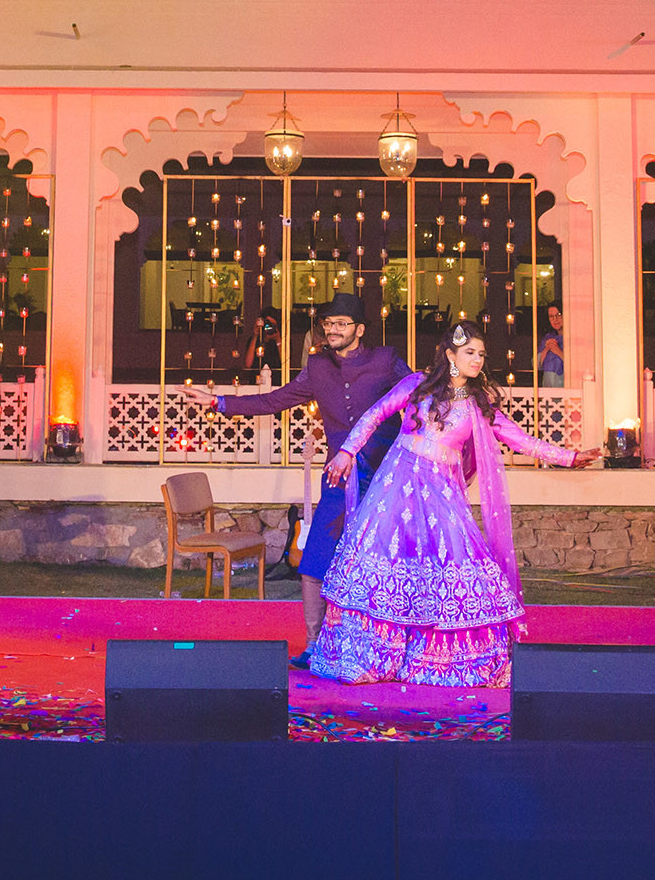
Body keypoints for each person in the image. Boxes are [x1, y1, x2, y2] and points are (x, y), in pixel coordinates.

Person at [309, 319, 598, 686]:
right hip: (396, 487)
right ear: (450, 355)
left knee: (456, 563)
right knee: (386, 562)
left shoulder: (480, 403)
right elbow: (374, 415)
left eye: (481, 354)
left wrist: (568, 457)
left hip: (442, 493)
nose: (477, 360)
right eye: (470, 353)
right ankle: (376, 655)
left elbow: (520, 440)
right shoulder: (415, 386)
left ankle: (437, 658)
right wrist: (347, 452)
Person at [177, 292, 407, 656]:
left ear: (360, 329)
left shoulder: (385, 360)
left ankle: (389, 646)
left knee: (386, 561)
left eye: (340, 324)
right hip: (338, 478)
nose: (332, 330)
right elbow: (275, 400)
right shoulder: (318, 367)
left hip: (384, 478)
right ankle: (316, 645)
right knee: (315, 558)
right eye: (328, 323)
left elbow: (421, 397)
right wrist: (219, 403)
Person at [534, 302, 565, 389]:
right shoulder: (548, 338)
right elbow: (535, 364)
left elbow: (576, 364)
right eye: (551, 316)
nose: (555, 319)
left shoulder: (570, 338)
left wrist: (558, 351)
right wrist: (546, 349)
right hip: (548, 388)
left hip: (565, 388)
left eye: (558, 315)